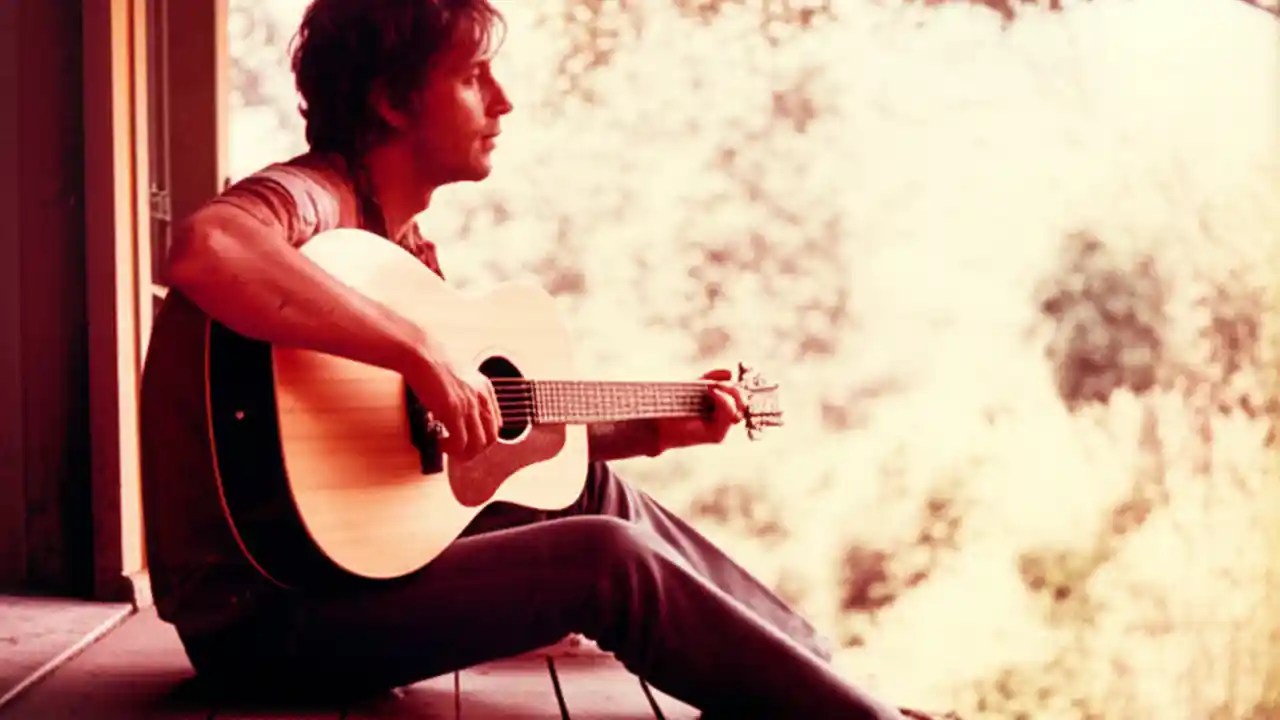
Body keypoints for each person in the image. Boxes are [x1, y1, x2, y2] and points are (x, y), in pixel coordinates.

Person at [155, 1, 956, 718]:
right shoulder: (314, 199)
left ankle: (827, 681)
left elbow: (449, 468)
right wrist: (421, 350)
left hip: (341, 578)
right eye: (473, 77)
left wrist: (648, 429)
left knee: (592, 489)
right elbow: (207, 246)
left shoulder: (400, 253)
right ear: (392, 100)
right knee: (604, 560)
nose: (502, 101)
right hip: (267, 624)